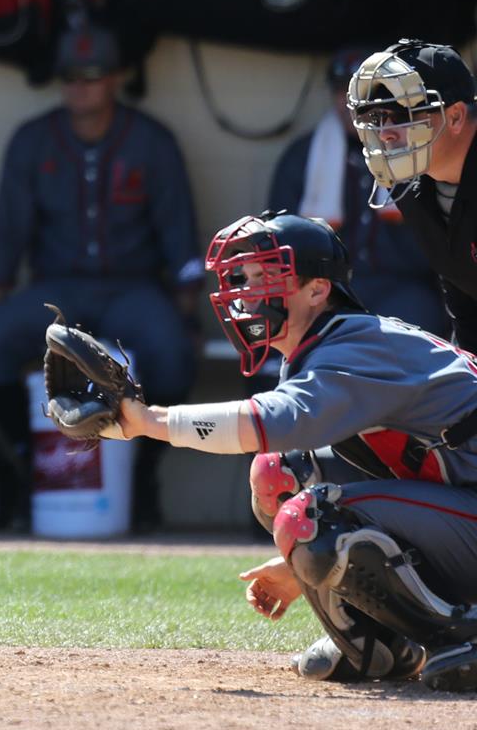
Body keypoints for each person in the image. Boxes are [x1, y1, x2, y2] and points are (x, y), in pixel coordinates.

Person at [60, 211, 477, 691]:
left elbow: (272, 420)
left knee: (309, 517)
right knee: (280, 472)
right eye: (245, 277)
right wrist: (299, 568)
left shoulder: (358, 345)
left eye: (267, 277)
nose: (249, 291)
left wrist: (149, 422)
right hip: (458, 501)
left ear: (317, 290)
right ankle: (375, 646)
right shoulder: (325, 345)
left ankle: (460, 639)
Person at [0, 23, 205, 528]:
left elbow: (179, 231)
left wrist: (186, 310)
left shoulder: (150, 141)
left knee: (172, 352)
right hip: (57, 290)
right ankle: (32, 465)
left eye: (93, 76)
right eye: (71, 76)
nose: (81, 86)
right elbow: (7, 236)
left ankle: (141, 475)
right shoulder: (33, 141)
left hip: (132, 287)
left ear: (116, 77)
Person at [269, 45, 449, 339]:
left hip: (404, 287)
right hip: (326, 290)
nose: (350, 103)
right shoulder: (303, 155)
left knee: (420, 345)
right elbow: (277, 238)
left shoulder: (420, 152)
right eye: (343, 92)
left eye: (365, 93)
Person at [345, 40, 477, 340]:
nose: (387, 133)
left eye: (401, 115)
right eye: (377, 118)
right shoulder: (413, 188)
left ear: (455, 117)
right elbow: (463, 292)